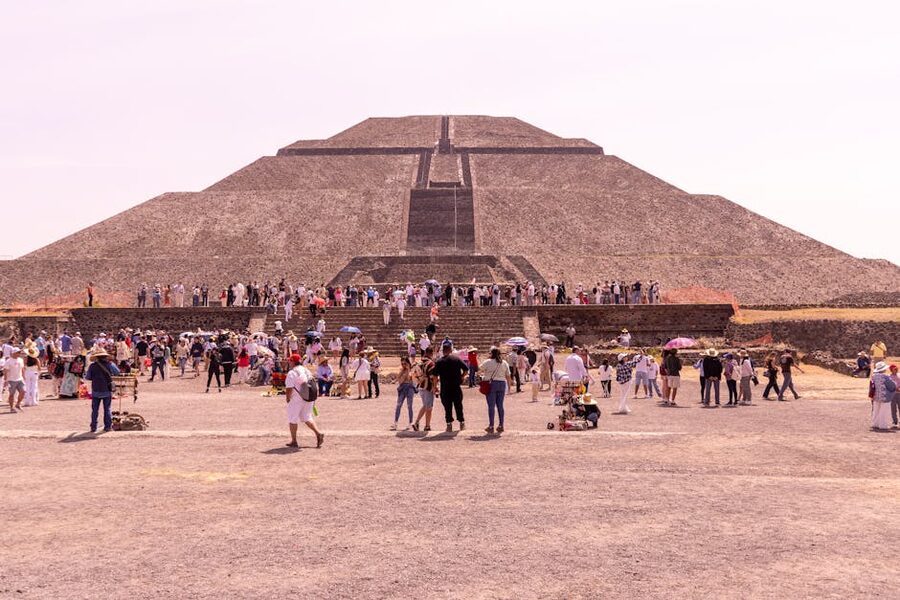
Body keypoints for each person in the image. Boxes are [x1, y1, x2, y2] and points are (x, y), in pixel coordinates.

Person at [284, 354, 325, 448]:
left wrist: (288, 398)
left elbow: (289, 388)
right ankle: (318, 433)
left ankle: (294, 441)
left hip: (296, 398)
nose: (289, 363)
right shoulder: (306, 370)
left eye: (290, 361)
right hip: (308, 397)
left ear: (293, 361)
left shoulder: (292, 372)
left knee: (292, 419)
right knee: (306, 417)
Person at [433, 340, 467, 432]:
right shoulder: (456, 359)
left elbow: (435, 376)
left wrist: (435, 387)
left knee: (447, 407)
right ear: (451, 349)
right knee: (458, 405)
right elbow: (466, 369)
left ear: (443, 350)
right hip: (456, 387)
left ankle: (449, 424)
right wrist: (462, 377)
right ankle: (462, 423)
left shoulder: (439, 362)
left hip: (445, 388)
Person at [84, 349, 120, 432]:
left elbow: (88, 377)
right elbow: (117, 372)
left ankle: (93, 427)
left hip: (96, 390)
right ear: (105, 356)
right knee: (107, 409)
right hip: (107, 390)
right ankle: (107, 427)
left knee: (95, 410)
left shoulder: (92, 366)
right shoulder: (110, 364)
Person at [479, 347, 512, 434]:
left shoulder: (488, 362)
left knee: (491, 406)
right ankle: (501, 425)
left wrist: (484, 375)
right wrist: (509, 387)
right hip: (502, 384)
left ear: (491, 354)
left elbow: (479, 370)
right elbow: (508, 376)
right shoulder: (504, 363)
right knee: (500, 406)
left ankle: (491, 426)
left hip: (491, 384)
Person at [412, 347, 438, 431]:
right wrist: (435, 387)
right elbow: (433, 377)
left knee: (425, 405)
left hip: (421, 386)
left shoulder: (419, 362)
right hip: (428, 387)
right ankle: (427, 426)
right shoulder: (431, 364)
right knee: (429, 408)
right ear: (431, 353)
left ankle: (416, 422)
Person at [870, 362, 896, 431]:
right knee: (884, 411)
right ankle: (883, 425)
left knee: (876, 410)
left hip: (876, 396)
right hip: (885, 396)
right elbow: (892, 386)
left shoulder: (873, 376)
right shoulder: (885, 377)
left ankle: (875, 424)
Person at [392, 356, 416, 430]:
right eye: (402, 363)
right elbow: (398, 379)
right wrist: (403, 371)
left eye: (404, 363)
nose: (403, 365)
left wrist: (408, 369)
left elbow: (410, 378)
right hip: (402, 388)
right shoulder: (402, 370)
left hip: (410, 388)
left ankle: (410, 422)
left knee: (409, 406)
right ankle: (395, 423)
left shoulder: (412, 370)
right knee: (398, 405)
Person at [888, 364, 900, 429]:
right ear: (891, 370)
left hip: (899, 394)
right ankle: (895, 422)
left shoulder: (899, 375)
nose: (896, 370)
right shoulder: (889, 377)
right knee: (893, 409)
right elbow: (889, 386)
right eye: (894, 369)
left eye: (896, 369)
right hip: (892, 394)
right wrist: (894, 388)